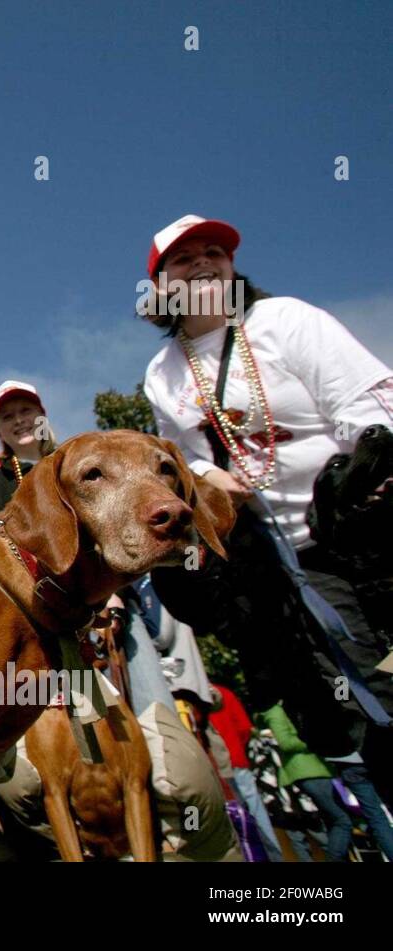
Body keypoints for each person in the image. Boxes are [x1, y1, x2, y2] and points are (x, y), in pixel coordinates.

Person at [141, 213, 393, 802]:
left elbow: (369, 404)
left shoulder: (285, 321)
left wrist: (367, 474)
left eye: (214, 251)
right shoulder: (163, 373)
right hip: (293, 557)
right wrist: (205, 475)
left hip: (365, 526)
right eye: (183, 258)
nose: (204, 261)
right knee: (364, 688)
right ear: (160, 284)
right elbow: (180, 455)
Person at [262, 702, 393, 861]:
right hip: (310, 771)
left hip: (329, 766)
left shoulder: (296, 702)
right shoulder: (276, 711)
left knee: (342, 820)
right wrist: (317, 739)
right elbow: (286, 743)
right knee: (344, 820)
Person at [208, 683, 287, 861]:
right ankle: (273, 856)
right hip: (237, 759)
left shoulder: (189, 696)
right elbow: (244, 728)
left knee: (230, 814)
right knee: (256, 809)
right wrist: (236, 746)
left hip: (214, 765)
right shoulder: (223, 692)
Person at [0, 380, 57, 513]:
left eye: (25, 410)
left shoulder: (70, 463)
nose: (19, 421)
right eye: (7, 417)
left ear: (42, 417)